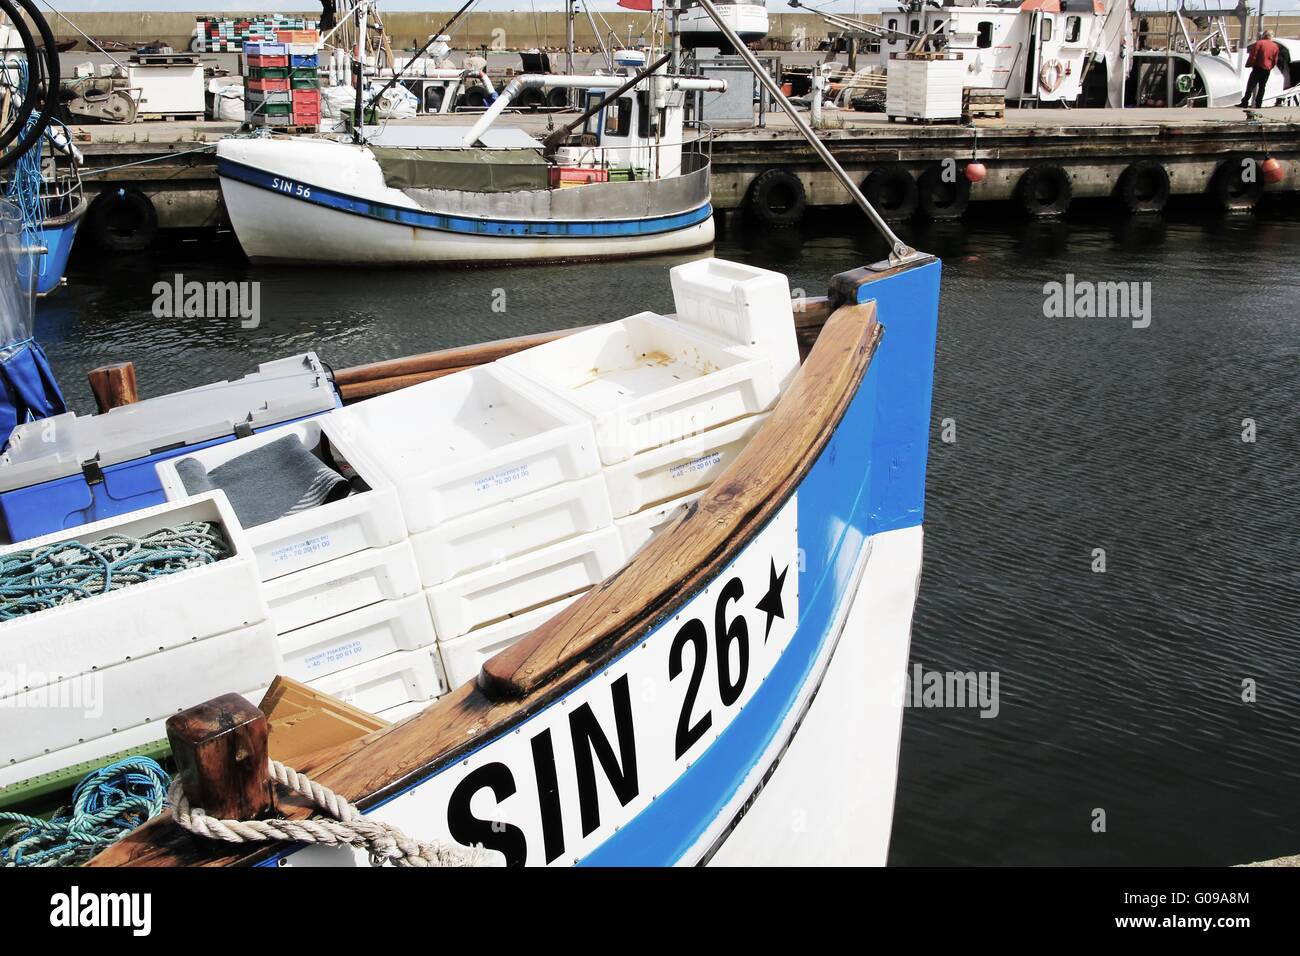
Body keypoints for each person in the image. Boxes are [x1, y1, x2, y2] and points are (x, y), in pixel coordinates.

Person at [1241, 30, 1281, 108]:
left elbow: (1253, 55)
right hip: (1267, 69)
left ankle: (1245, 102)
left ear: (1264, 35)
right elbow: (1275, 60)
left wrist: (1250, 64)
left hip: (1257, 67)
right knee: (1262, 87)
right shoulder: (1275, 46)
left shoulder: (1259, 43)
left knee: (1251, 85)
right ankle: (1258, 103)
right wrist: (1270, 67)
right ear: (1271, 36)